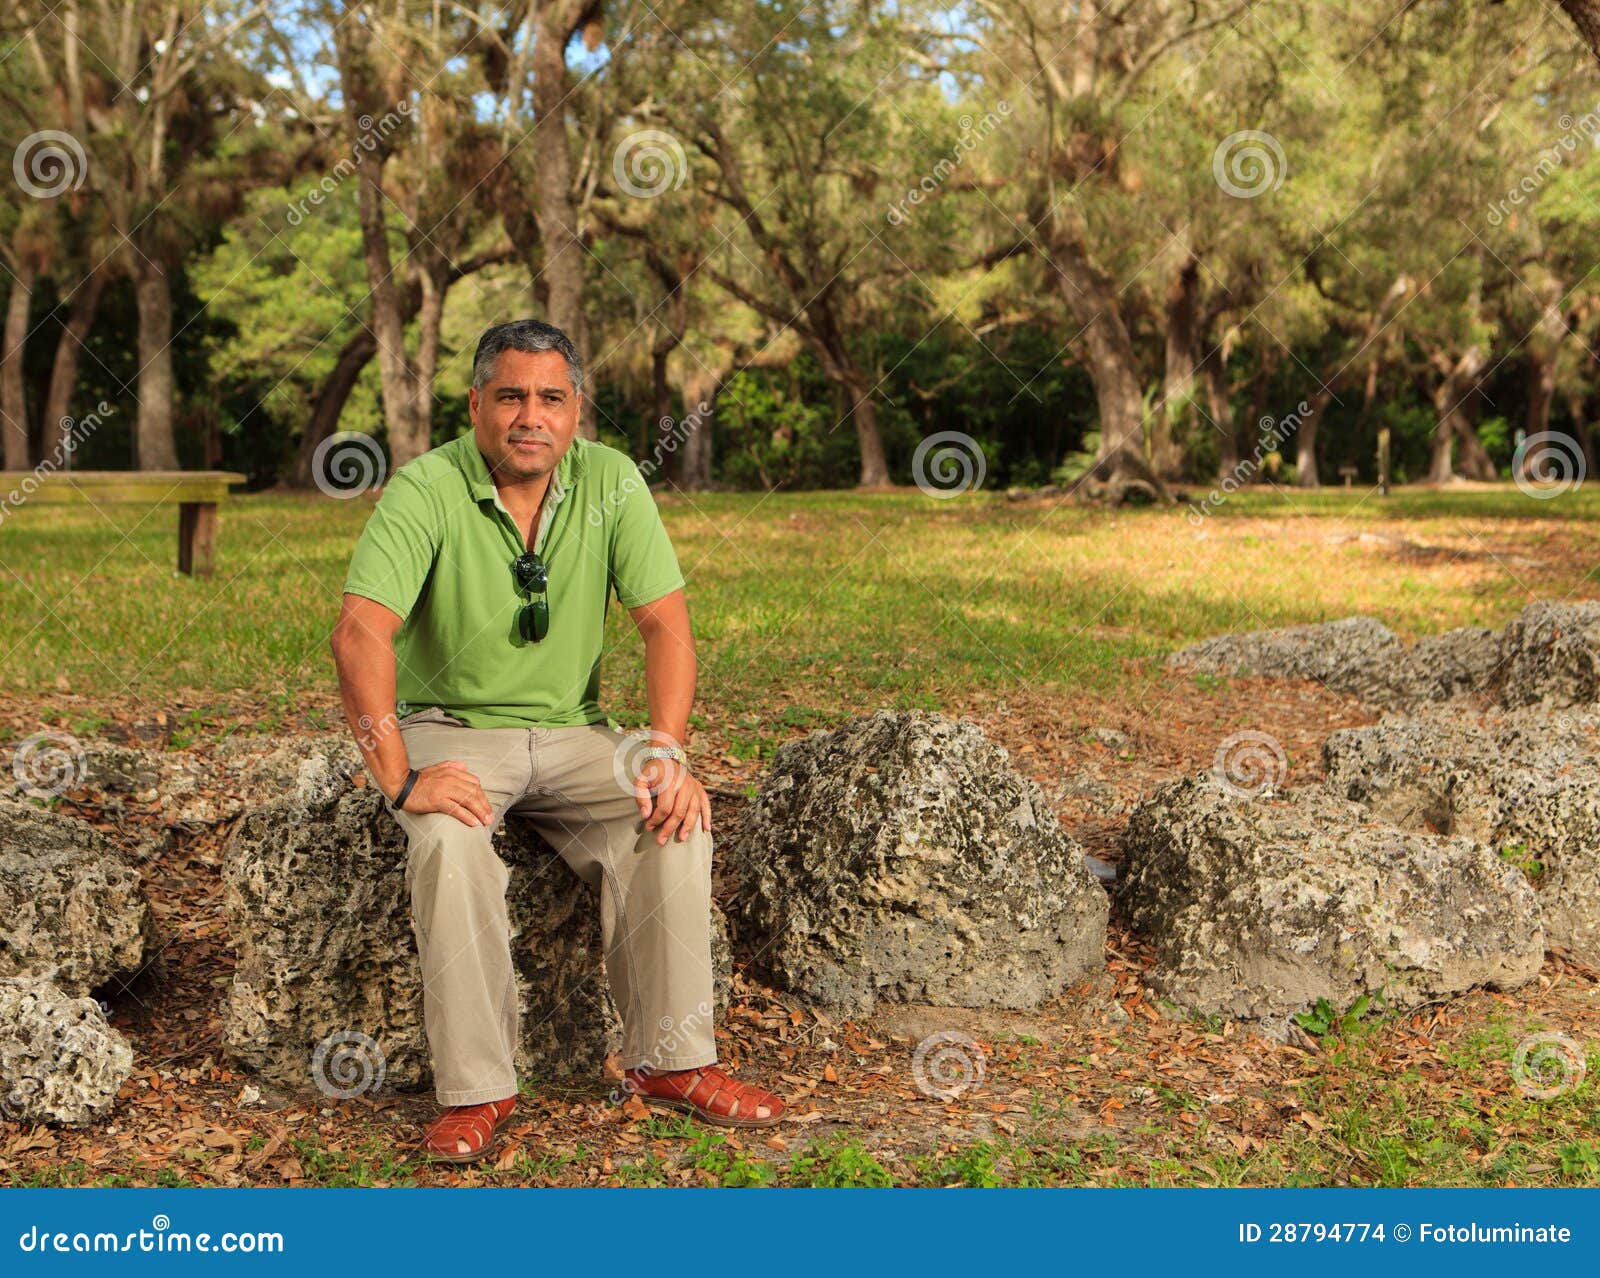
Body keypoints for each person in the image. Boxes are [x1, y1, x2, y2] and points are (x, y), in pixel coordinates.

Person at [329, 317, 784, 1164]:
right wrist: (398, 778)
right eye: (510, 397)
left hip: (577, 736)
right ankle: (480, 1091)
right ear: (475, 405)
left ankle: (670, 1063)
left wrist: (666, 749)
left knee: (674, 820)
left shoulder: (613, 481)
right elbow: (360, 633)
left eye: (550, 398)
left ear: (576, 410)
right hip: (451, 729)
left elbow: (666, 626)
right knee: (447, 842)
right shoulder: (425, 488)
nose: (529, 416)